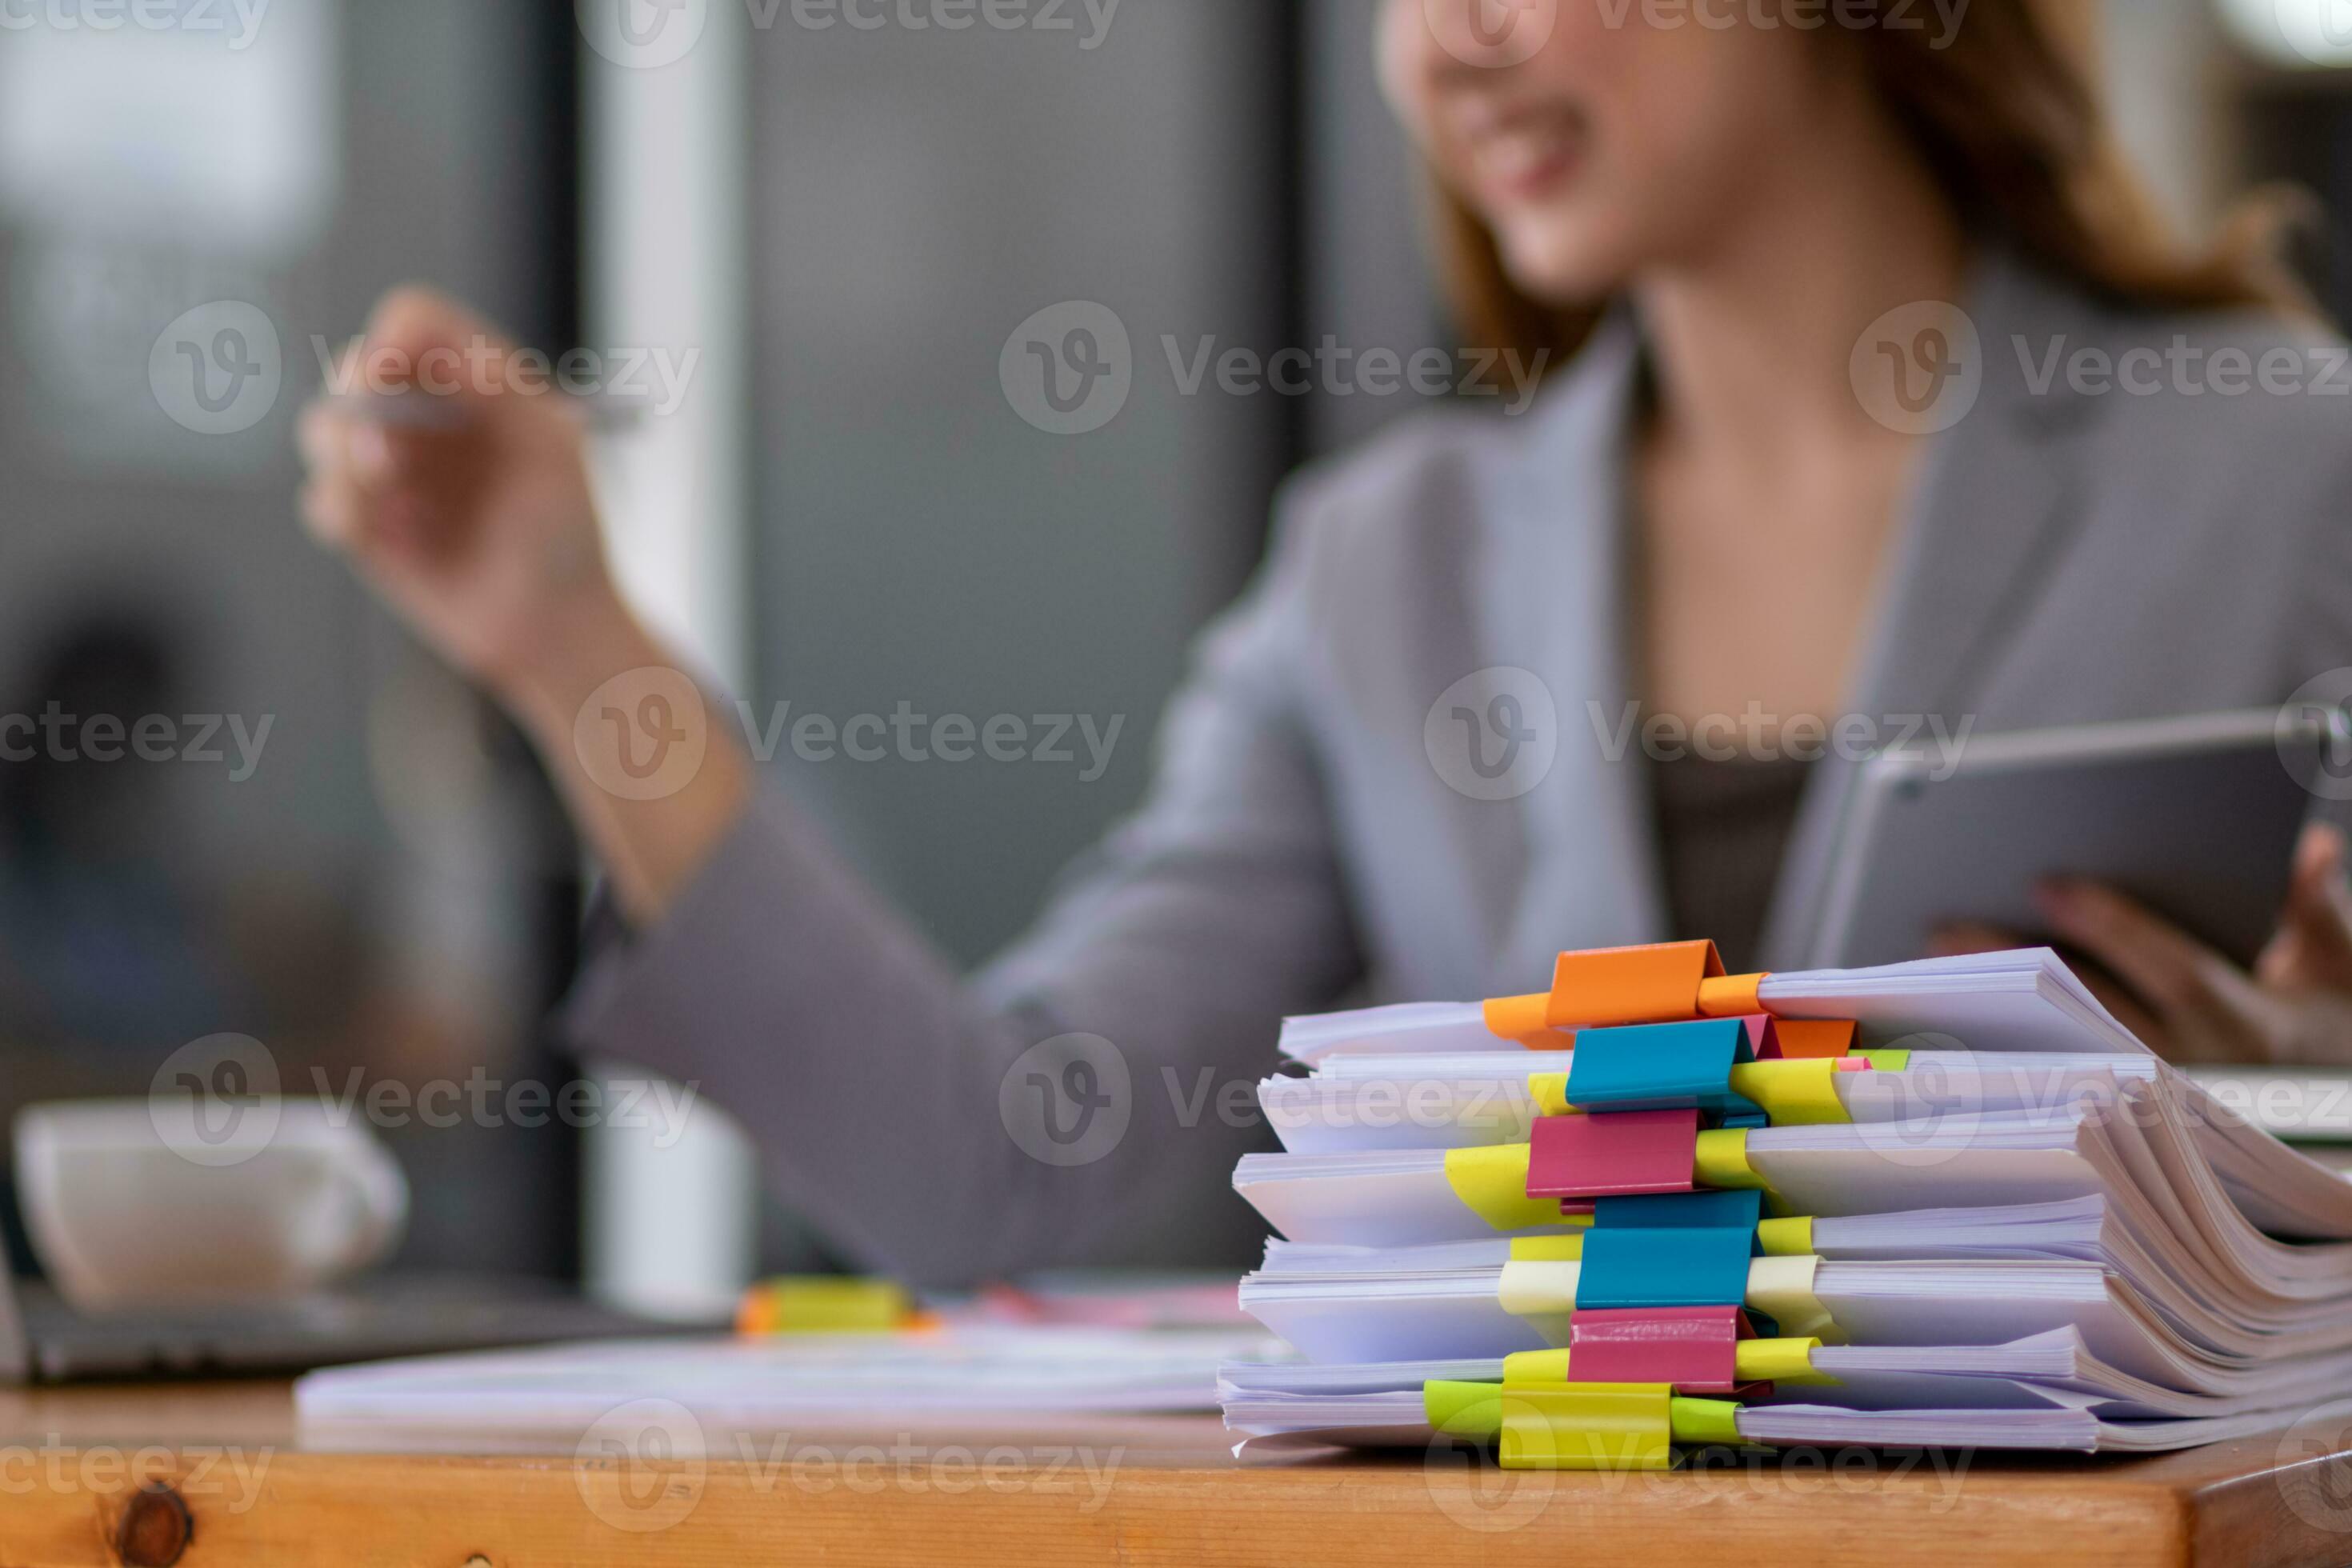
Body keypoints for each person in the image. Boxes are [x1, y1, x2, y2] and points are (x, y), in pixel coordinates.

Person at [297, 1, 2352, 1284]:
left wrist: (2323, 1112)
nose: (1443, 39)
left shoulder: (2279, 464)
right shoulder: (1392, 567)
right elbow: (992, 1162)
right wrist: (575, 645)